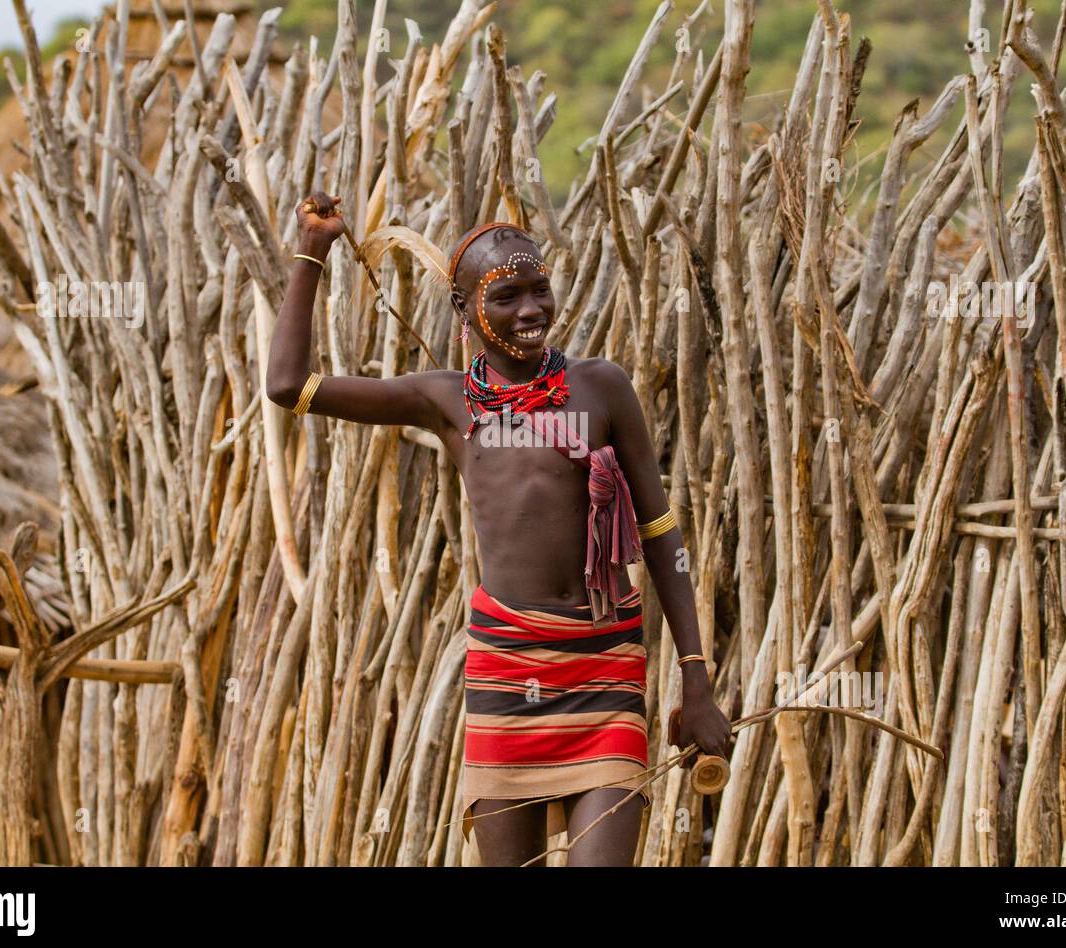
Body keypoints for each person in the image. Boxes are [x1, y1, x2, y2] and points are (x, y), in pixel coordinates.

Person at [266, 192, 733, 866]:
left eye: (540, 290)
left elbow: (660, 534)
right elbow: (289, 386)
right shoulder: (445, 400)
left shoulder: (601, 388)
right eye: (507, 296)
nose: (531, 310)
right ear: (465, 310)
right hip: (508, 671)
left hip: (604, 670)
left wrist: (696, 680)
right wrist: (313, 249)